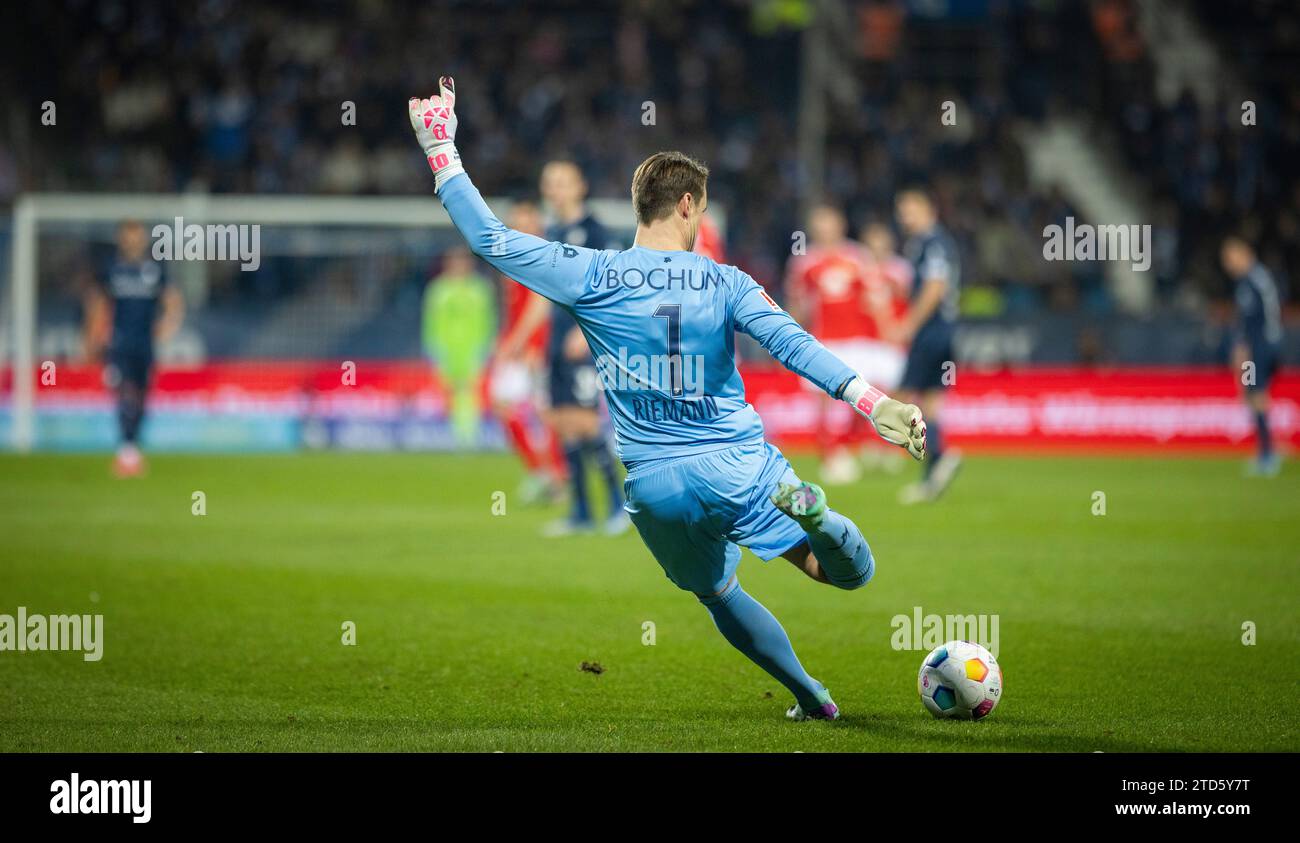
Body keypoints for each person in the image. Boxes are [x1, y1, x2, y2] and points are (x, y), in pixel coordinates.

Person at [408, 78, 926, 719]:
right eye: (701, 211)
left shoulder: (592, 273)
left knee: (717, 592)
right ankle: (815, 516)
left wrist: (441, 149)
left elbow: (490, 240)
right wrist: (875, 403)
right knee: (844, 572)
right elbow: (794, 346)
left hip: (655, 484)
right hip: (738, 464)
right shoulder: (726, 280)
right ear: (687, 205)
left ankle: (810, 696)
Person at [510, 160, 629, 536]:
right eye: (550, 183)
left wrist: (585, 330)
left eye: (563, 182)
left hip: (584, 343)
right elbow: (543, 296)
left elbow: (615, 286)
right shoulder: (552, 234)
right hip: (556, 343)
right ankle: (580, 512)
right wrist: (518, 340)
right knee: (562, 424)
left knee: (584, 422)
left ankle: (618, 505)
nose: (555, 189)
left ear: (580, 187)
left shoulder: (595, 232)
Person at [783, 204, 882, 484]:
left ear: (840, 225)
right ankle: (829, 455)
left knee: (861, 398)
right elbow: (797, 302)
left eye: (829, 224)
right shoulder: (804, 261)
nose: (825, 230)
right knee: (823, 401)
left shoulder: (858, 257)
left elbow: (872, 298)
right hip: (823, 340)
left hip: (857, 340)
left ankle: (850, 445)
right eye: (819, 225)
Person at [84, 219, 184, 476]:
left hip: (144, 344)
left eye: (136, 236)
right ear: (121, 239)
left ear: (143, 239)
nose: (132, 241)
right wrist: (93, 338)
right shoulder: (112, 269)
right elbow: (98, 303)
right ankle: (127, 451)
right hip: (118, 343)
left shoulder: (154, 270)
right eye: (127, 236)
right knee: (123, 392)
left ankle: (131, 448)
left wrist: (167, 327)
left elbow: (173, 301)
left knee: (141, 394)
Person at [490, 200, 566, 503]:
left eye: (527, 223)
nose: (521, 229)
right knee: (507, 405)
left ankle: (555, 478)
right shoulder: (510, 255)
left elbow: (540, 306)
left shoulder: (539, 256)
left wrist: (520, 343)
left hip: (536, 346)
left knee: (545, 412)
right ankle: (544, 473)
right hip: (520, 343)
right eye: (516, 224)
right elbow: (516, 306)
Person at [892, 186, 962, 504]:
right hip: (944, 331)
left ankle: (930, 455)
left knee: (903, 398)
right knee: (931, 403)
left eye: (910, 209)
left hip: (932, 331)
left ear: (928, 210)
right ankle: (936, 469)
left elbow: (935, 287)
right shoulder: (922, 244)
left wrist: (910, 323)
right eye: (902, 210)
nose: (905, 216)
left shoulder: (933, 244)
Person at [1221, 236, 1284, 476]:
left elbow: (1253, 322)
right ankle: (1266, 450)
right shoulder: (1253, 280)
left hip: (1260, 347)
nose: (1228, 264)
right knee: (1252, 394)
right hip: (1262, 346)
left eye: (1230, 258)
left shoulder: (1253, 281)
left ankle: (1268, 454)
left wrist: (1243, 350)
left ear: (1244, 253)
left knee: (1255, 395)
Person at [422, 246, 495, 447]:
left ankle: (470, 435)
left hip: (472, 350)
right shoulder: (438, 289)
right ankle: (453, 433)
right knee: (449, 392)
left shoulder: (479, 289)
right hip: (446, 350)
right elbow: (431, 320)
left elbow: (488, 320)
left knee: (471, 392)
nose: (459, 266)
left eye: (463, 261)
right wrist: (433, 347)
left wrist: (485, 347)